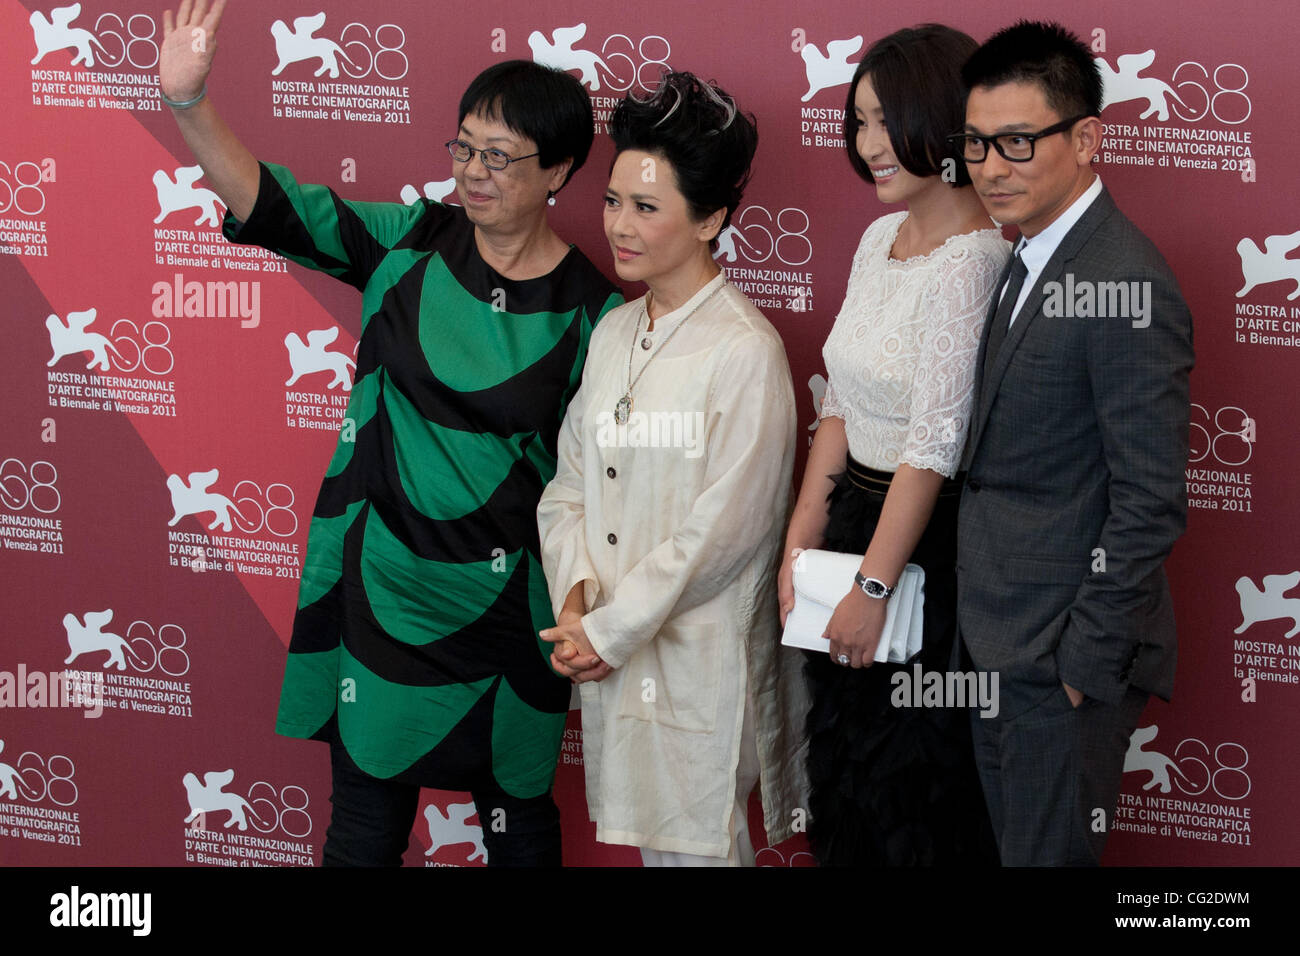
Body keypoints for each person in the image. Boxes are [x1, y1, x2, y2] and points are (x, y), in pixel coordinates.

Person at [158, 0, 621, 866]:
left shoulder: (598, 315)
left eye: (500, 156)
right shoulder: (410, 242)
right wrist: (190, 103)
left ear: (557, 168)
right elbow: (276, 205)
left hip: (509, 606)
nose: (472, 172)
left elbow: (607, 485)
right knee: (364, 831)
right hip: (382, 587)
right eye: (464, 147)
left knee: (517, 827)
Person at [536, 72, 807, 866]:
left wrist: (609, 634)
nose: (618, 225)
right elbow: (570, 486)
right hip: (611, 644)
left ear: (710, 220)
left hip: (698, 660)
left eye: (646, 208)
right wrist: (579, 602)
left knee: (701, 850)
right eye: (614, 200)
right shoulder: (614, 331)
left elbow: (725, 535)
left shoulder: (744, 350)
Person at [952, 20, 1194, 866]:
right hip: (994, 639)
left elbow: (1151, 498)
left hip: (1060, 658)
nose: (991, 166)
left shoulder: (1124, 280)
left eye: (1017, 142)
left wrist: (1080, 666)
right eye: (977, 144)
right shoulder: (1025, 256)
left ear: (1087, 138)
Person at [778, 24, 1008, 865]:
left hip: (927, 556)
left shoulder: (975, 261)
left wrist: (875, 583)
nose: (869, 145)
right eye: (860, 122)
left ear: (945, 124)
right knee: (842, 776)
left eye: (887, 121)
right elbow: (838, 400)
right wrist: (801, 537)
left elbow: (934, 443)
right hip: (851, 530)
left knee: (913, 783)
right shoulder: (879, 240)